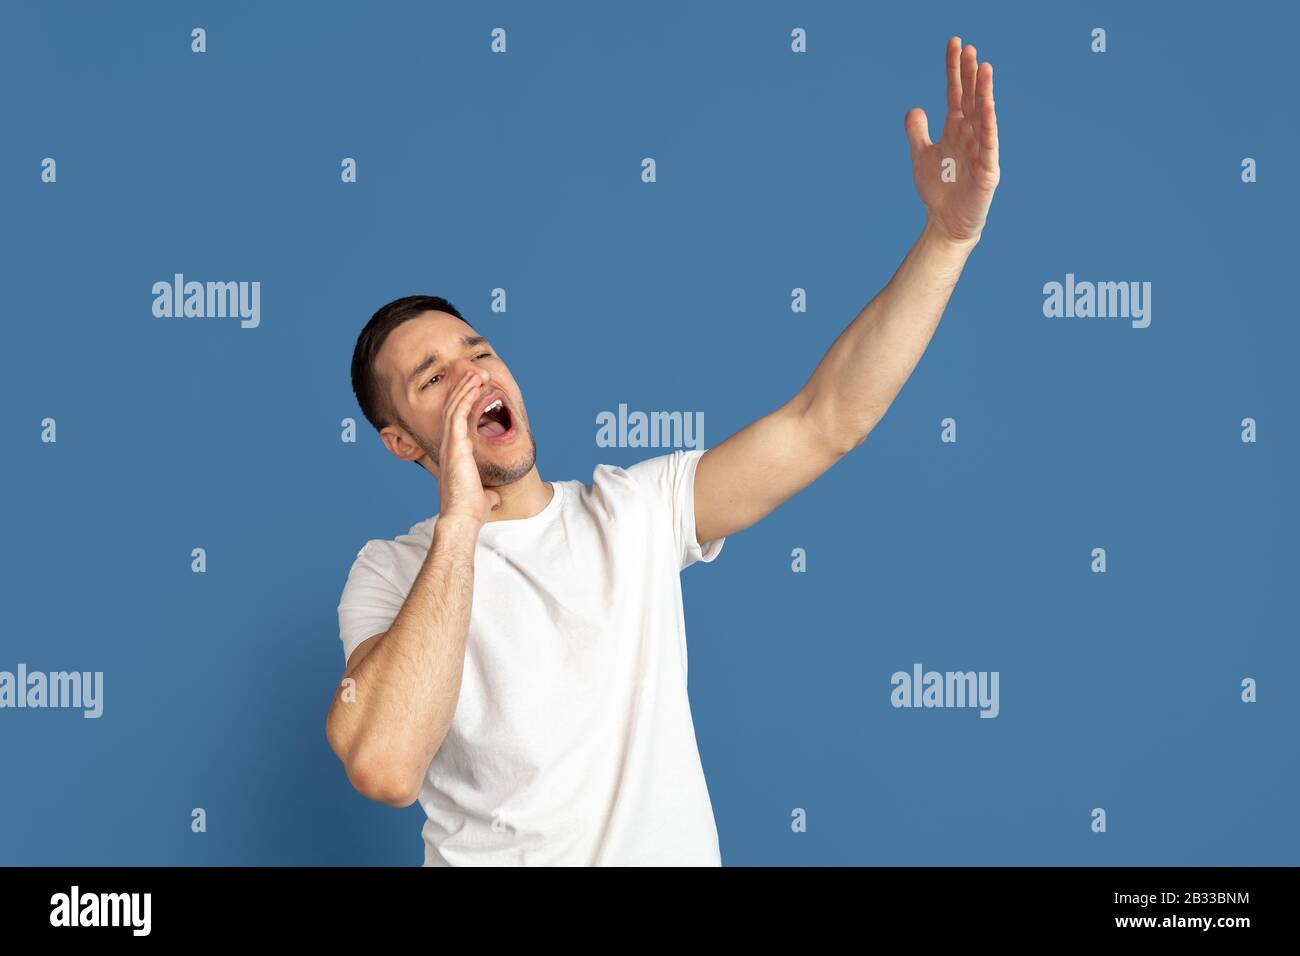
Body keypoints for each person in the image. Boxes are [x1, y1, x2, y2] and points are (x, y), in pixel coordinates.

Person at [325, 35, 1000, 865]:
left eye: (477, 350)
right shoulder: (390, 574)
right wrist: (461, 521)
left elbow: (826, 421)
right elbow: (385, 766)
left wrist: (946, 241)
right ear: (400, 443)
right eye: (432, 379)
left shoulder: (632, 512)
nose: (471, 376)